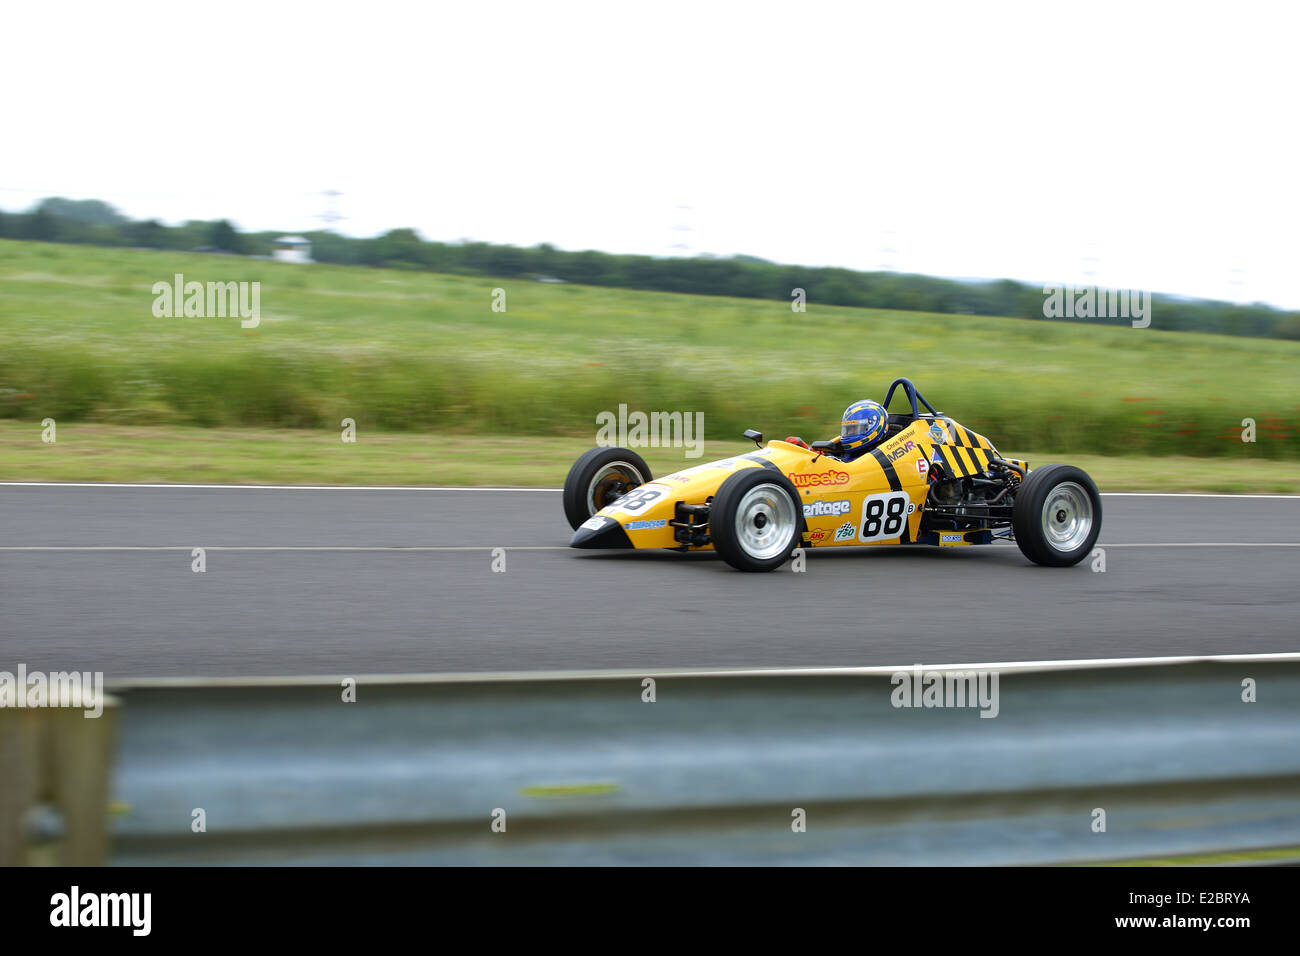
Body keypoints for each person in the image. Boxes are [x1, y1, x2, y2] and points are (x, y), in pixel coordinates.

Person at [785, 399, 889, 461]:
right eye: (847, 430)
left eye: (854, 429)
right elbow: (836, 456)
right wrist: (807, 451)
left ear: (872, 427)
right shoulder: (853, 452)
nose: (849, 434)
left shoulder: (879, 457)